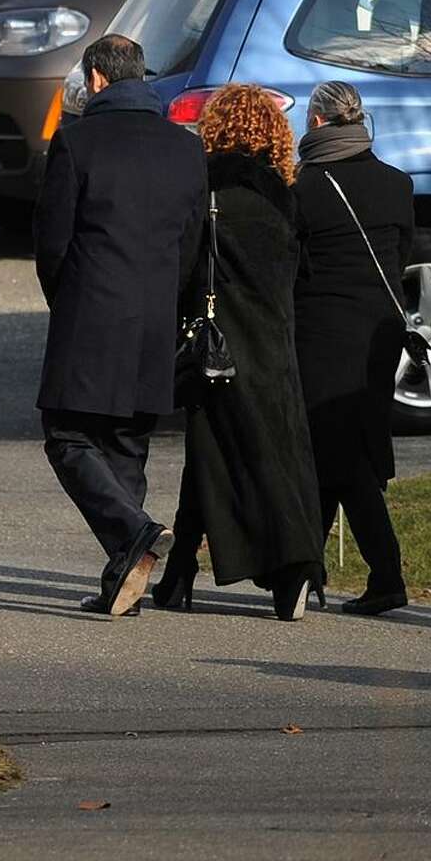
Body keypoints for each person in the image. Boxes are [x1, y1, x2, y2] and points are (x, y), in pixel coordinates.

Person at [36, 34, 207, 618]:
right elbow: (191, 245)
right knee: (127, 446)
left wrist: (66, 299)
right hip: (155, 317)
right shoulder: (185, 149)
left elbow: (53, 242)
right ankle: (123, 584)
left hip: (91, 311)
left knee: (67, 437)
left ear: (98, 80)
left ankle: (133, 532)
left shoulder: (76, 141)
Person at [154, 84, 326, 622]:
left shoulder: (206, 192)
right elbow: (305, 275)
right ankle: (289, 570)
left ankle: (183, 572)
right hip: (274, 345)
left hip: (217, 345)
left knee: (210, 456)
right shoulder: (287, 196)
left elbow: (183, 269)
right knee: (279, 455)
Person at [288, 79, 414, 616]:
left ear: (316, 122)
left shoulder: (303, 190)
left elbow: (294, 269)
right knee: (344, 450)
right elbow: (401, 256)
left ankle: (382, 575)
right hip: (380, 334)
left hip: (324, 335)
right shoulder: (397, 184)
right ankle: (304, 572)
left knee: (339, 457)